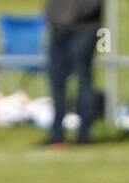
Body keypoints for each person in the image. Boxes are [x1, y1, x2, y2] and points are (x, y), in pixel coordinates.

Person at [44, 0, 102, 145]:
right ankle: (57, 132)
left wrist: (81, 12)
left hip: (85, 27)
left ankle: (84, 133)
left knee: (83, 78)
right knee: (56, 79)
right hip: (59, 26)